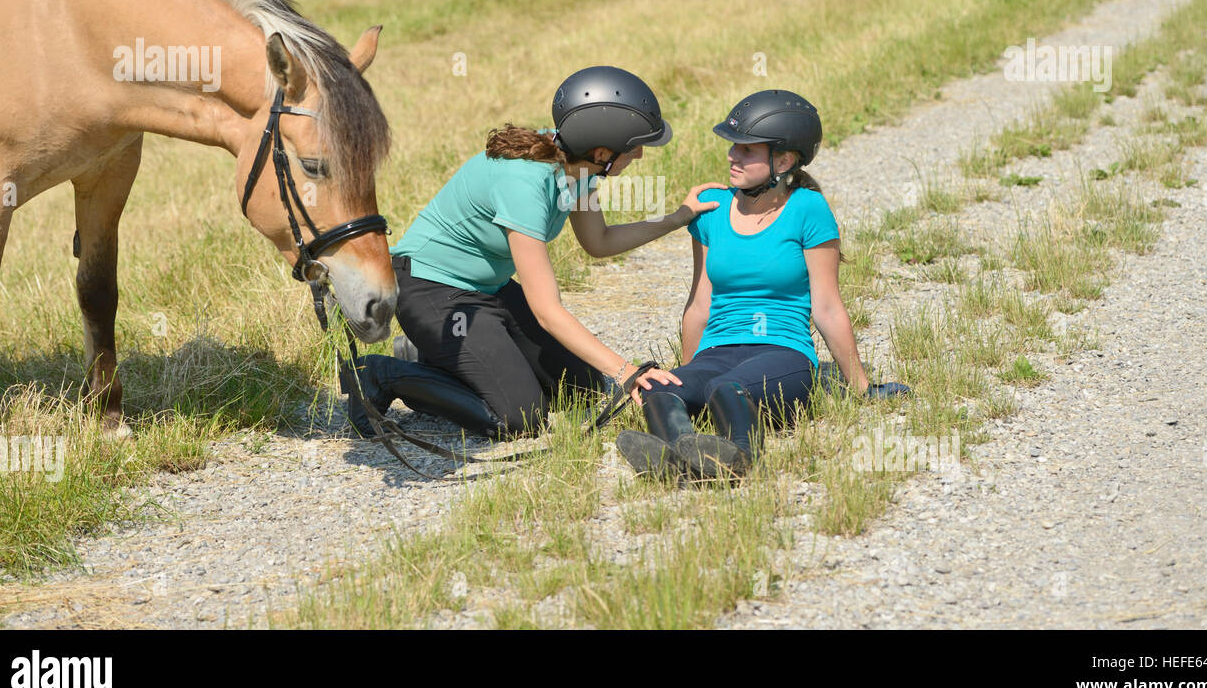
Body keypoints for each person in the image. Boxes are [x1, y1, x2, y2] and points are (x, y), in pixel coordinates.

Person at [342, 66, 723, 439]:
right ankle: (382, 374)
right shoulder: (525, 182)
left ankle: (435, 358)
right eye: (634, 147)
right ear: (603, 150)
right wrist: (627, 372)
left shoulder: (578, 168)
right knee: (520, 416)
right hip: (429, 289)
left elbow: (599, 241)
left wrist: (679, 217)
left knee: (582, 391)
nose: (639, 155)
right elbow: (547, 311)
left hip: (484, 290)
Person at [616, 89, 908, 481]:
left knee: (727, 385)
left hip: (782, 353)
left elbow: (827, 306)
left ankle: (737, 459)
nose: (731, 156)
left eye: (746, 150)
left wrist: (860, 386)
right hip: (717, 351)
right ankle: (678, 457)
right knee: (659, 389)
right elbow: (699, 303)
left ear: (783, 159)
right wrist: (687, 374)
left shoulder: (807, 208)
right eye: (733, 147)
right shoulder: (712, 209)